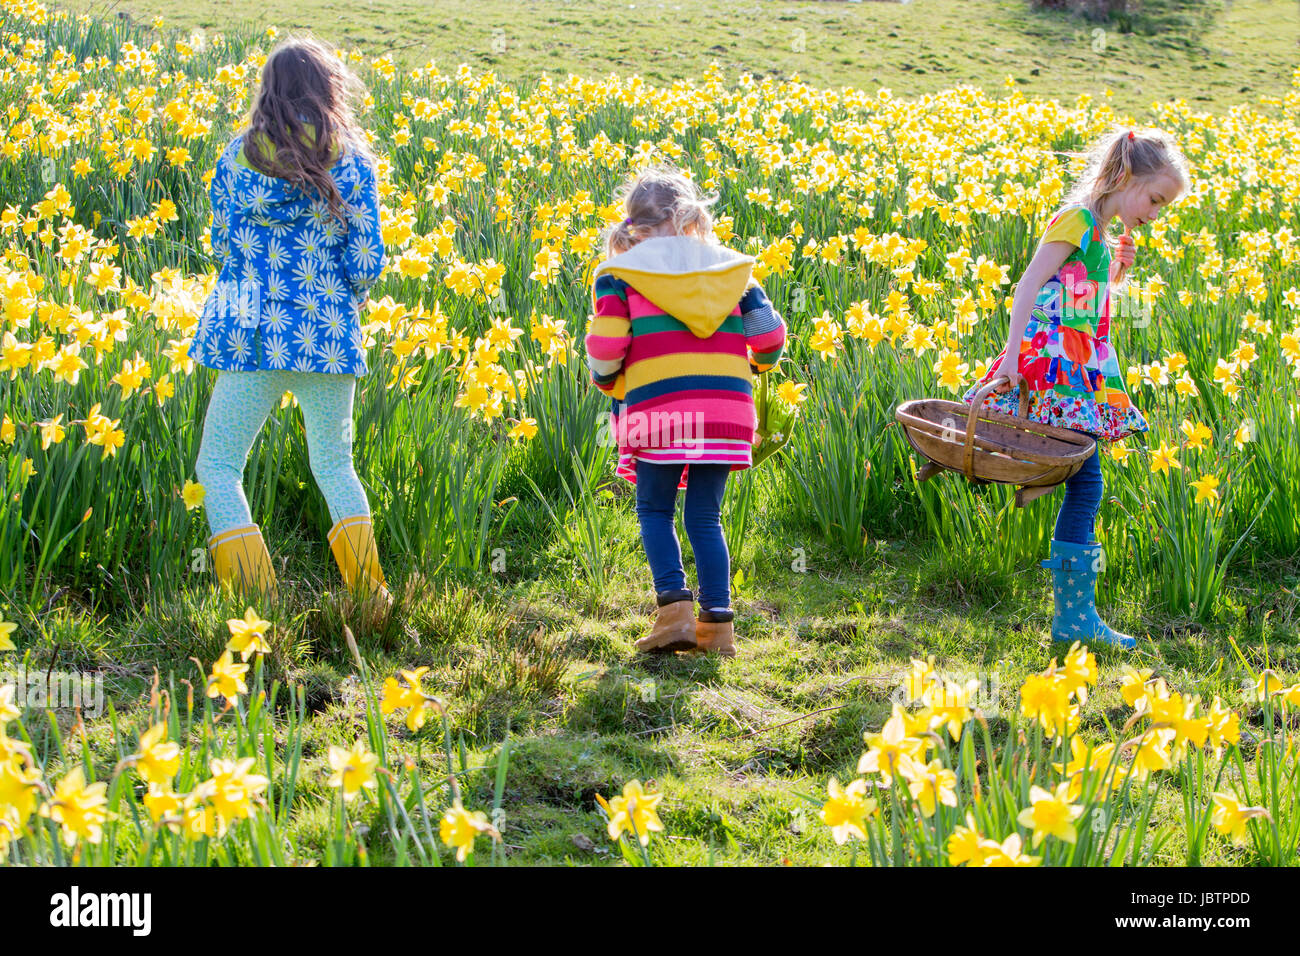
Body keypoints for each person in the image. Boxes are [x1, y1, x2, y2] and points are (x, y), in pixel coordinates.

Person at [964, 127, 1189, 649]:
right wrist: (1014, 356)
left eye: (1163, 207)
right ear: (1126, 176)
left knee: (1083, 477)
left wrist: (1115, 278)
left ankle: (1072, 604)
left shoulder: (1099, 234)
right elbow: (1027, 286)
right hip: (1051, 366)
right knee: (1087, 483)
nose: (1155, 214)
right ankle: (1073, 620)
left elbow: (1084, 307)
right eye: (1154, 199)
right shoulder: (1078, 219)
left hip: (1076, 367)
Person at [192, 36, 389, 608]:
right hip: (327, 336)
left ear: (268, 91)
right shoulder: (352, 160)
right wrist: (335, 300)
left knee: (219, 466)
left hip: (248, 334)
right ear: (329, 90)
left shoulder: (235, 158)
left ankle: (257, 605)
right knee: (334, 465)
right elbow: (365, 262)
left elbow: (221, 244)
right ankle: (371, 598)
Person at [585, 167, 786, 658]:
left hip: (660, 409)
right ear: (689, 215)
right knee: (705, 515)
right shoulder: (734, 270)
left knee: (655, 508)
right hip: (726, 411)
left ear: (634, 225)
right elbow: (769, 338)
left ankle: (674, 611)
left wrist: (609, 383)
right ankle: (718, 628)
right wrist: (755, 368)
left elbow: (607, 347)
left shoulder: (619, 274)